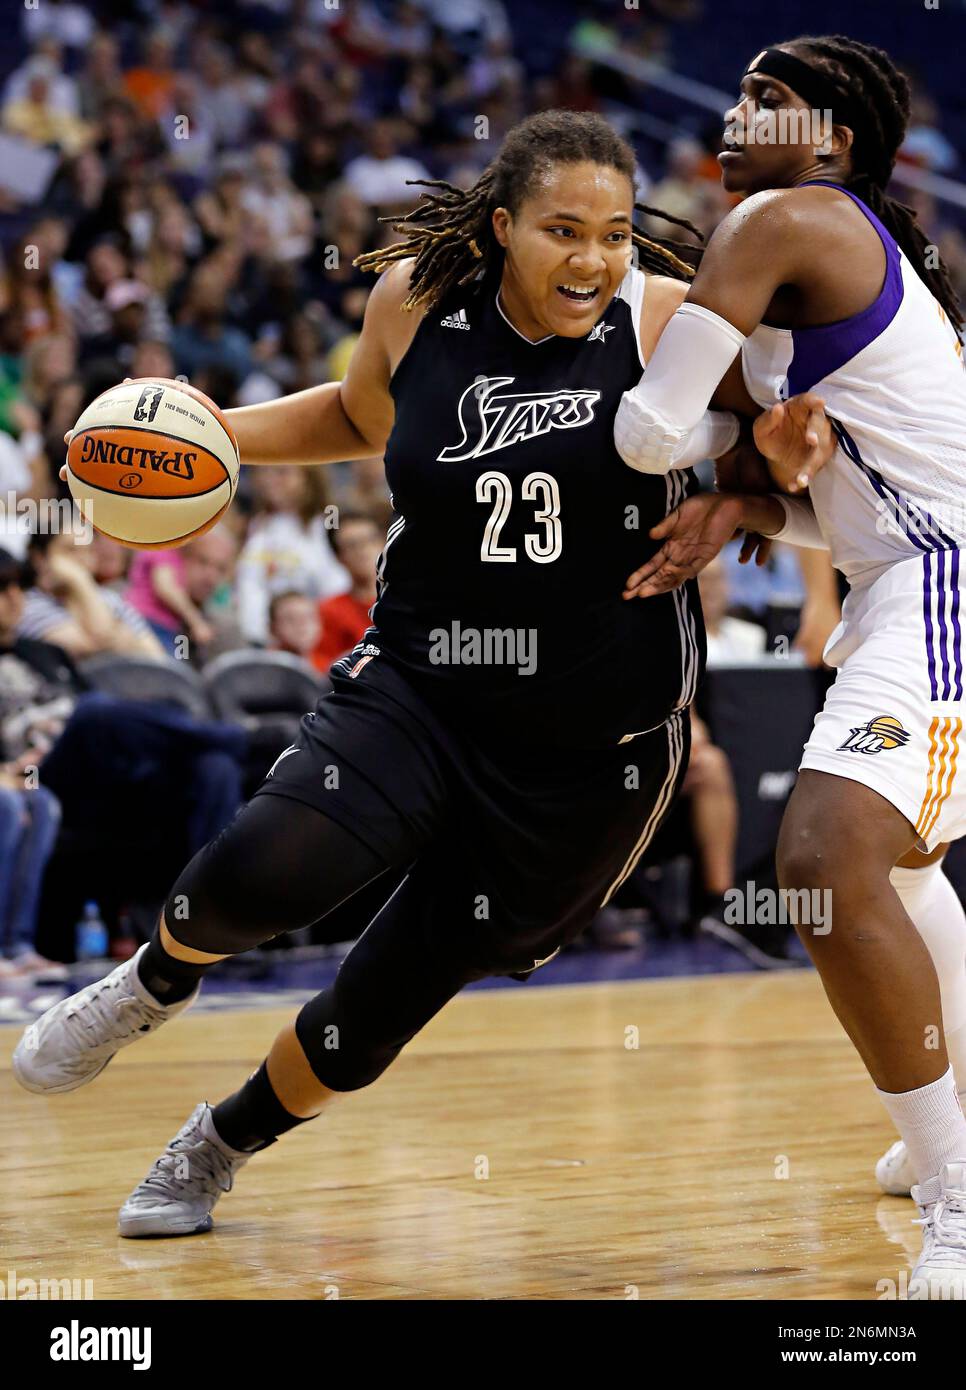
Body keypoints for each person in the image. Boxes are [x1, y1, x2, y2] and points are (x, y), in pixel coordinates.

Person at [14, 110, 824, 1241]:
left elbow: (796, 466)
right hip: (423, 685)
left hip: (598, 754)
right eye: (561, 230)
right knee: (263, 865)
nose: (592, 258)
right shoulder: (412, 300)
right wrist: (212, 436)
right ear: (501, 226)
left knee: (379, 1005)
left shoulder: (673, 328)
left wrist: (750, 493)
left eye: (612, 232)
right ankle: (152, 980)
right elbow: (356, 415)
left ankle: (218, 1142)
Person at [615, 37, 966, 1296]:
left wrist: (713, 442)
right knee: (906, 870)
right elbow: (852, 507)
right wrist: (753, 502)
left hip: (945, 584)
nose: (738, 108)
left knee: (825, 860)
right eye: (742, 86)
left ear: (837, 143)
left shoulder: (789, 216)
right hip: (901, 581)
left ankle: (958, 1202)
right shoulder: (816, 243)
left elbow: (648, 426)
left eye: (773, 97)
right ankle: (957, 1141)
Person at [311, 511, 382, 672]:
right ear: (338, 557)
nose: (363, 550)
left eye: (369, 540)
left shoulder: (406, 601)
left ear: (383, 542)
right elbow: (322, 667)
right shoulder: (329, 611)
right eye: (352, 545)